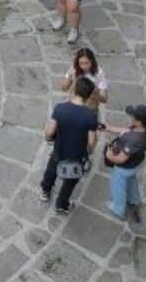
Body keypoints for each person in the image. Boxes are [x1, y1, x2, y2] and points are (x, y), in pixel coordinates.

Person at [40, 76, 102, 215]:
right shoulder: (90, 117)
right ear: (89, 95)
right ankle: (61, 204)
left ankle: (45, 191)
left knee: (51, 171)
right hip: (76, 156)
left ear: (74, 90)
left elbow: (49, 132)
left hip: (59, 151)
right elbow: (91, 142)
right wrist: (88, 152)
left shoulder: (60, 108)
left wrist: (49, 138)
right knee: (70, 181)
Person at [103, 103, 146, 226]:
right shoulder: (145, 129)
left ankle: (118, 209)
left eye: (133, 117)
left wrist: (108, 155)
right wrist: (108, 128)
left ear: (139, 122)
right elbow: (126, 131)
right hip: (134, 165)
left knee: (118, 187)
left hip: (124, 168)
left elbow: (121, 159)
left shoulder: (136, 140)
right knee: (131, 182)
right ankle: (134, 200)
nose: (131, 118)